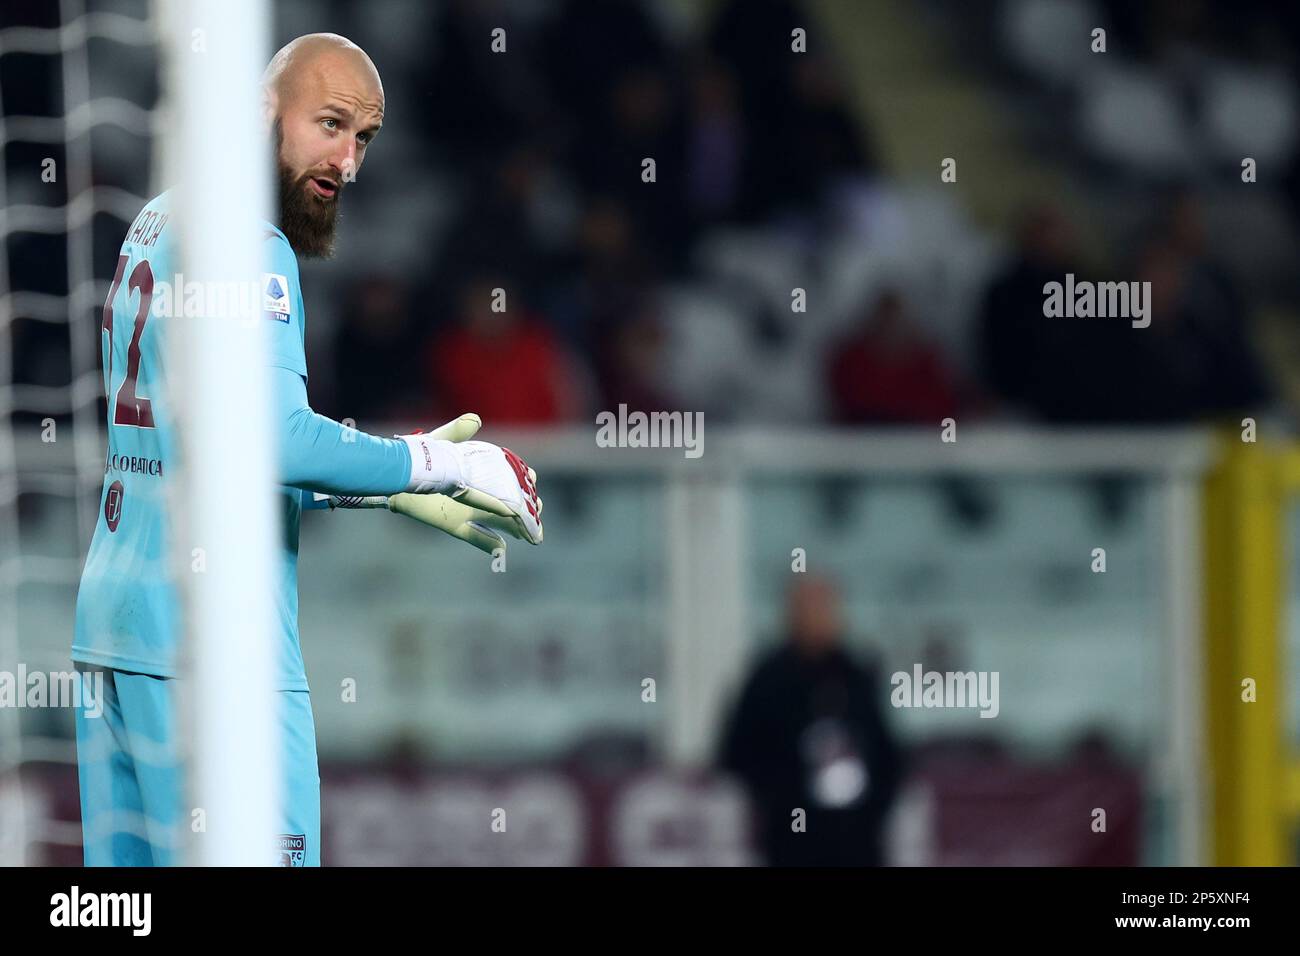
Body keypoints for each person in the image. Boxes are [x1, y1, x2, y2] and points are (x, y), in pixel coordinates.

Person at [72, 33, 542, 867]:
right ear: (261, 112)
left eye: (363, 138)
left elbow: (215, 456)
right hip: (216, 648)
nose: (350, 161)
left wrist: (376, 485)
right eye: (330, 124)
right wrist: (444, 463)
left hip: (113, 635)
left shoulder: (157, 220)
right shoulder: (254, 248)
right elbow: (278, 440)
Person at [718, 576, 903, 866]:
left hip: (856, 841)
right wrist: (781, 794)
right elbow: (736, 753)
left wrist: (870, 807)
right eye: (809, 606)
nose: (819, 616)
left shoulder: (857, 675)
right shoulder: (767, 680)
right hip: (791, 841)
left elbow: (888, 755)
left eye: (825, 606)